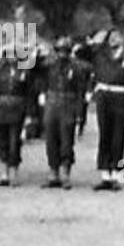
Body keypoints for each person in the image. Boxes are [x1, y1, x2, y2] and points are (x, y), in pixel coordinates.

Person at [86, 30, 124, 191]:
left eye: (116, 37)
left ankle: (118, 175)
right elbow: (82, 54)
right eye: (110, 38)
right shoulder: (100, 54)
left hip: (121, 96)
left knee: (119, 137)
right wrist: (95, 41)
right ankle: (105, 175)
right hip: (104, 96)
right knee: (104, 135)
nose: (113, 40)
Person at [37, 38, 87, 189]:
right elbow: (34, 70)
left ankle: (65, 172)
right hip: (52, 102)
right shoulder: (48, 65)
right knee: (51, 140)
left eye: (65, 51)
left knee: (66, 141)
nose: (62, 54)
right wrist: (37, 53)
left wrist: (80, 114)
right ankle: (53, 172)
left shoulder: (77, 68)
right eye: (59, 51)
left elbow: (80, 92)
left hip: (68, 103)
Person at [0, 46, 34, 186]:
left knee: (14, 142)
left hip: (17, 107)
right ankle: (4, 172)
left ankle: (14, 171)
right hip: (2, 106)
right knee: (2, 140)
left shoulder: (24, 71)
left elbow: (29, 93)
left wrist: (30, 114)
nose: (11, 58)